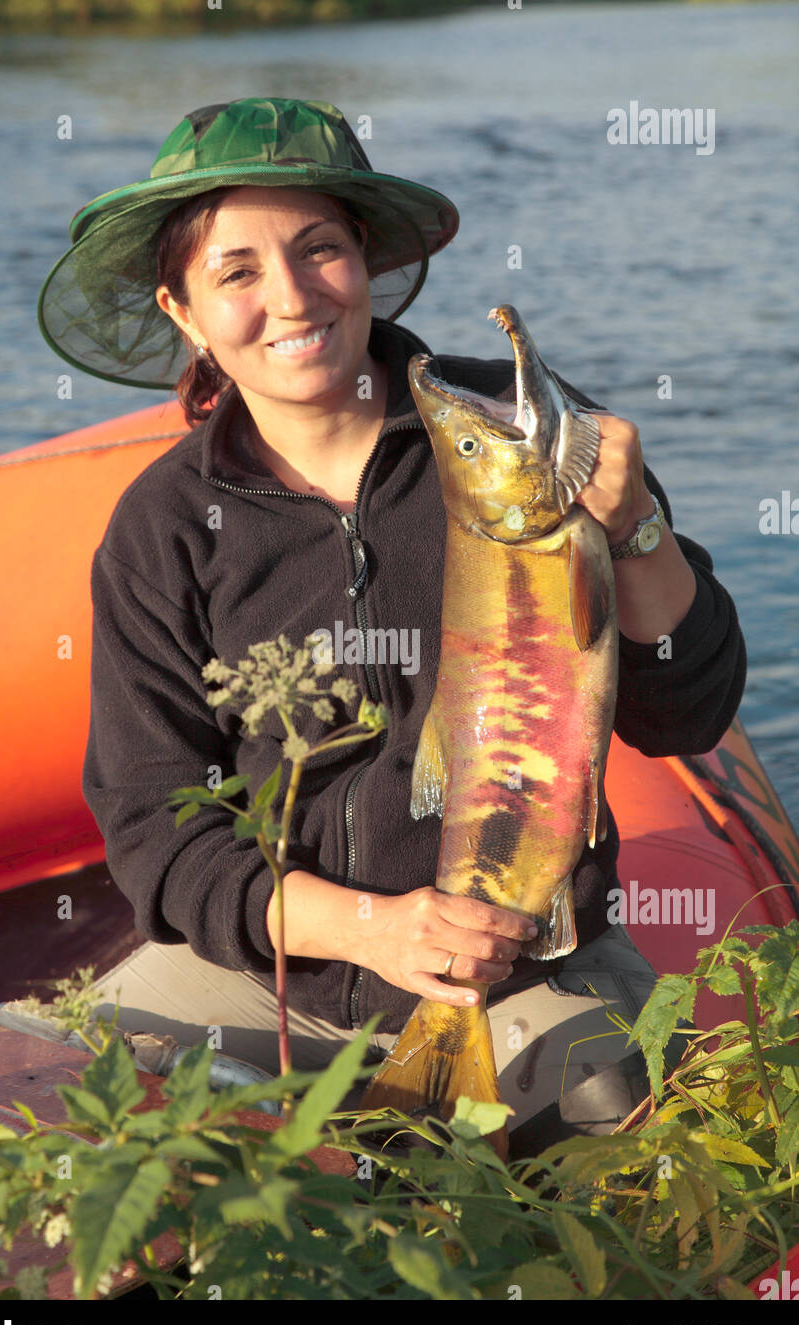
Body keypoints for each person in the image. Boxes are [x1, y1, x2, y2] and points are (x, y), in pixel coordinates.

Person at [38, 98, 745, 1153]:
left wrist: (633, 529)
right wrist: (376, 927)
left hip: (528, 960)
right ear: (182, 310)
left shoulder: (513, 438)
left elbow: (684, 711)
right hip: (271, 977)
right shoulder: (165, 527)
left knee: (622, 1132)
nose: (289, 297)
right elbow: (154, 836)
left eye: (318, 248)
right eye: (236, 271)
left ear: (363, 258)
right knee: (45, 1103)